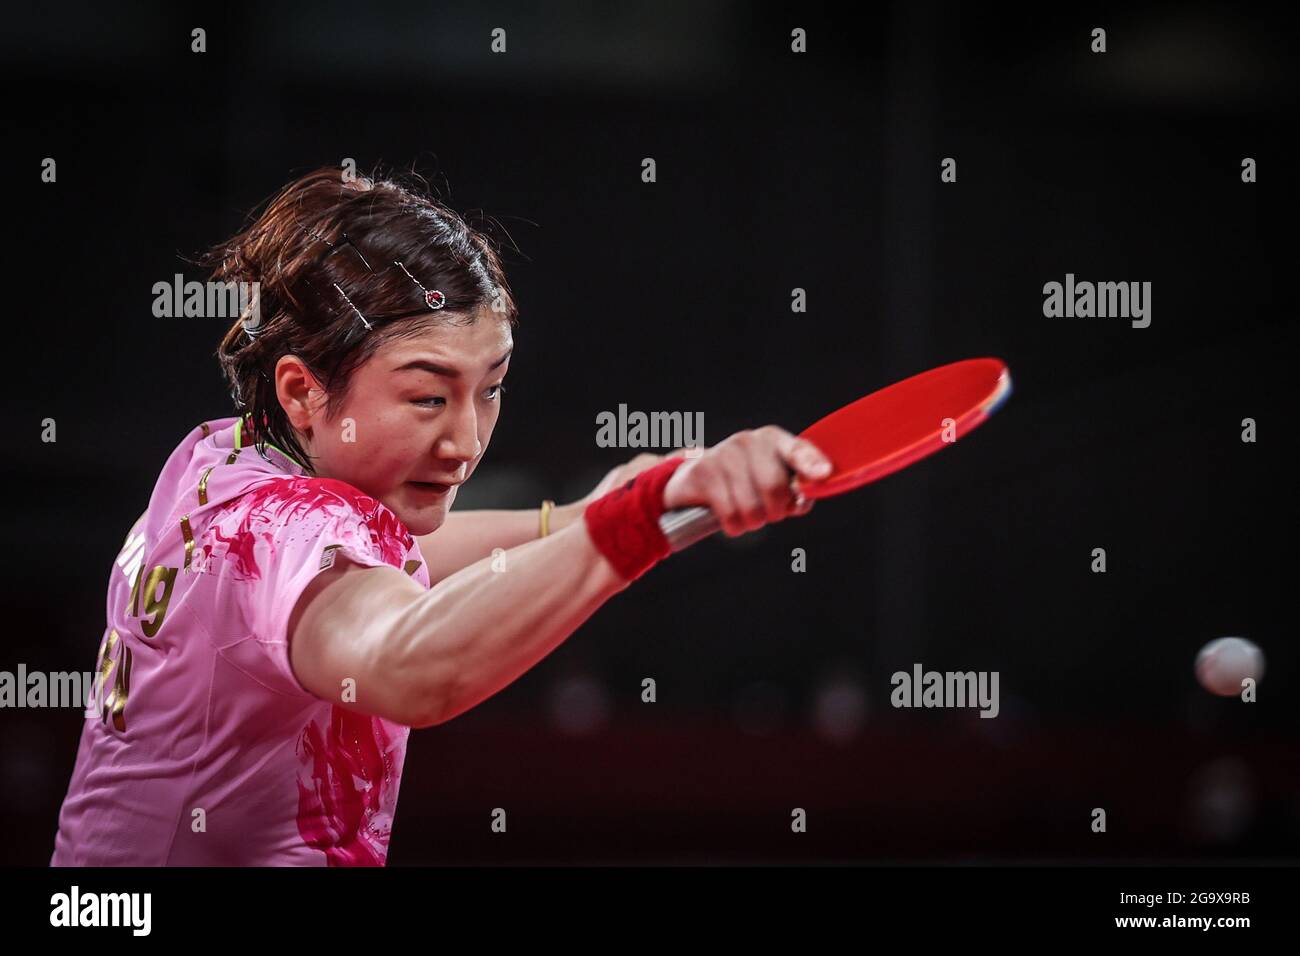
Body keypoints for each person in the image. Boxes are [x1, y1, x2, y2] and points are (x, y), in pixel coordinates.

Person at [51, 166, 830, 866]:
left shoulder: (219, 459)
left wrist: (580, 517)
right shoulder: (284, 530)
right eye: (428, 396)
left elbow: (387, 561)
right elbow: (406, 663)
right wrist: (629, 526)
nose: (465, 442)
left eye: (489, 387)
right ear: (302, 391)